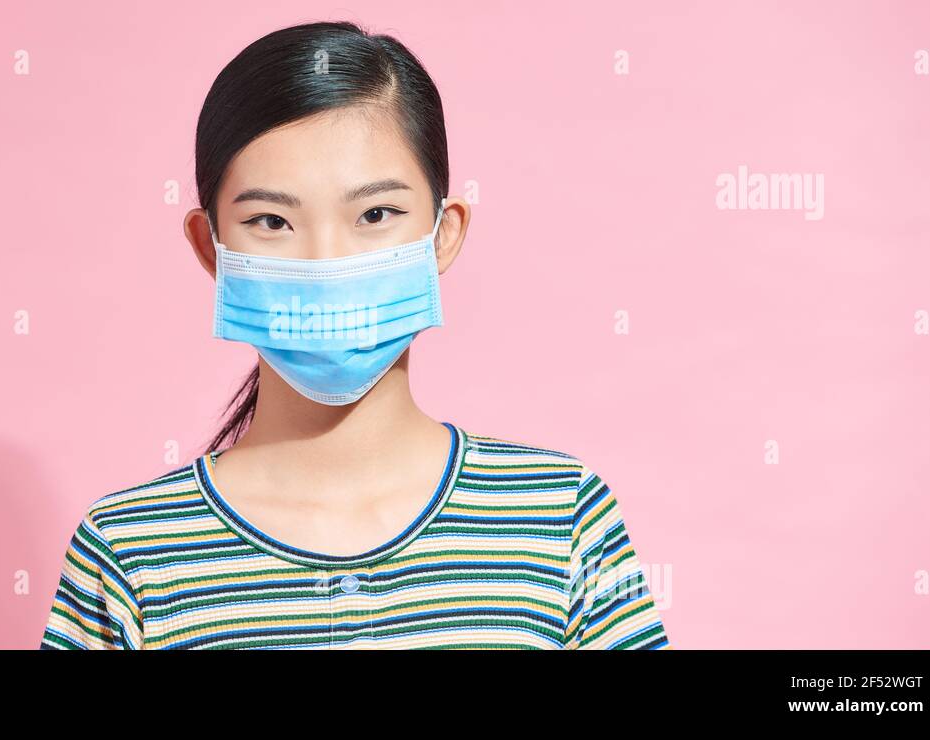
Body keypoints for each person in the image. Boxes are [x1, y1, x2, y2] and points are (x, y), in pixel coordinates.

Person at [40, 20, 670, 649]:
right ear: (213, 248)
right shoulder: (127, 550)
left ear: (442, 233)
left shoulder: (559, 516)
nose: (325, 265)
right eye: (271, 220)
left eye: (375, 214)